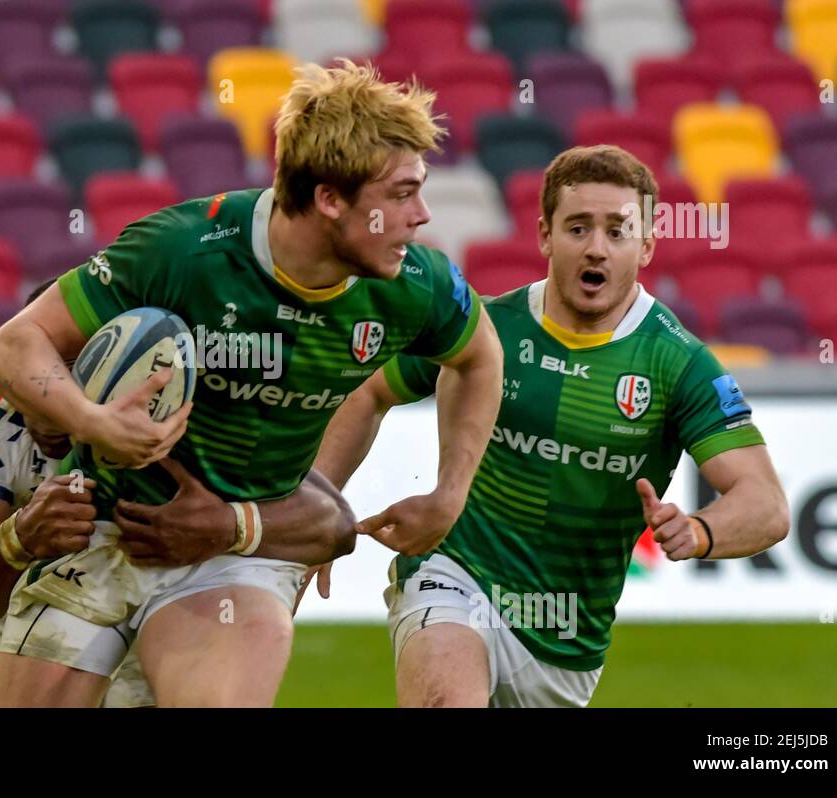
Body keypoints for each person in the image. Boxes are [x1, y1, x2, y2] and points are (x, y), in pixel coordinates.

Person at [0, 60, 504, 707]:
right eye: (399, 194)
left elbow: (480, 356)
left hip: (238, 558)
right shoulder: (184, 249)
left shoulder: (414, 284)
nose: (421, 216)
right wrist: (97, 422)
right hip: (105, 527)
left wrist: (449, 496)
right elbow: (12, 346)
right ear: (331, 199)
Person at [311, 144, 791, 707]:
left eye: (617, 231)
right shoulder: (487, 329)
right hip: (457, 574)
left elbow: (767, 504)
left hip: (567, 642)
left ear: (647, 245)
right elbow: (368, 389)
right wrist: (318, 504)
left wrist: (700, 531)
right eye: (578, 228)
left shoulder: (677, 363)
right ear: (544, 236)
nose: (596, 248)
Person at [0, 284, 357, 707]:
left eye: (86, 379)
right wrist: (18, 541)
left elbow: (335, 524)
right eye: (46, 382)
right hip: (37, 650)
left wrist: (228, 527)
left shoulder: (185, 408)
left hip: (160, 651)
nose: (62, 401)